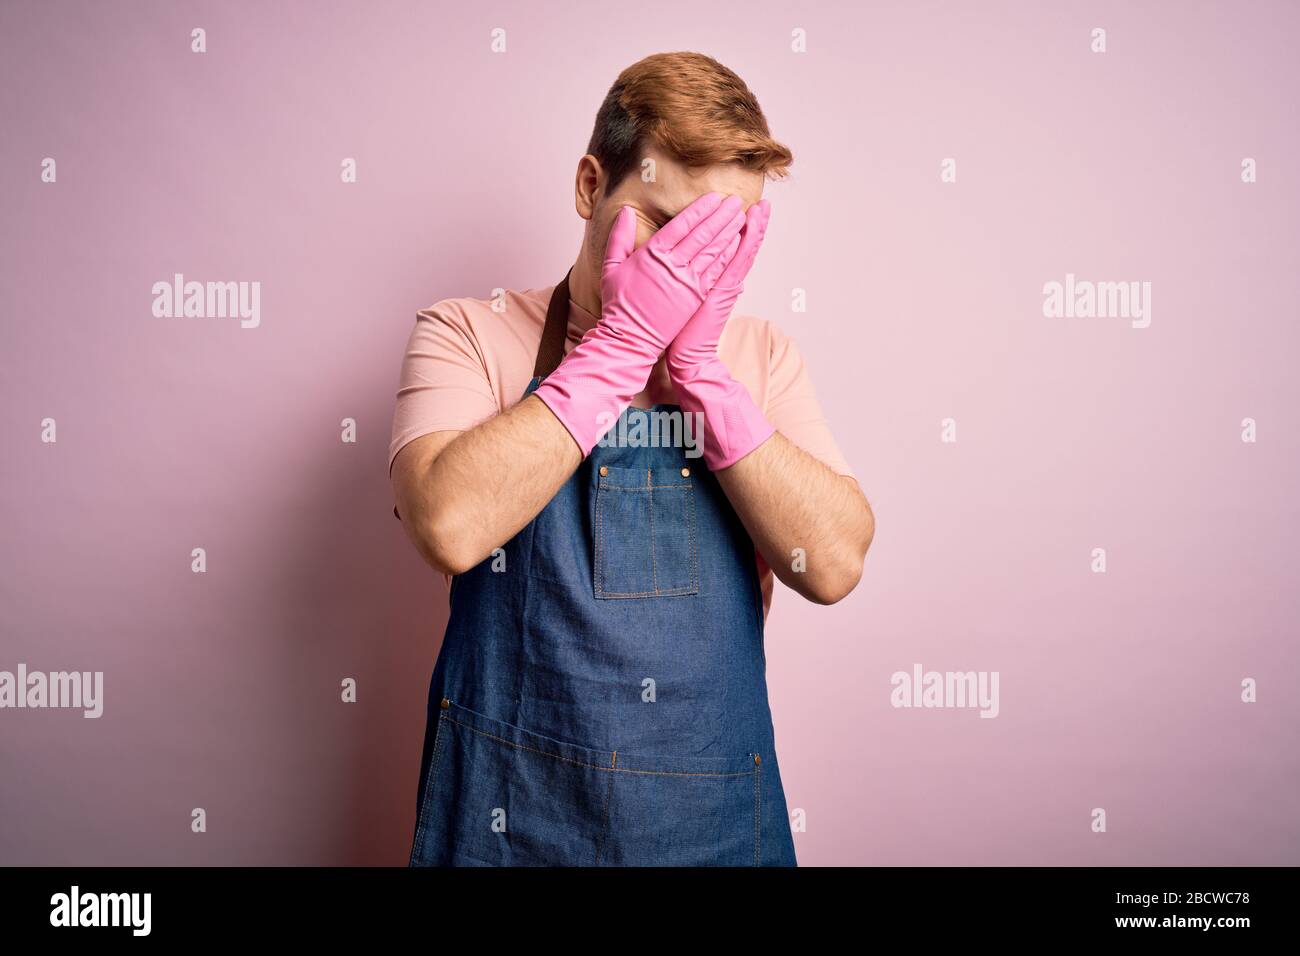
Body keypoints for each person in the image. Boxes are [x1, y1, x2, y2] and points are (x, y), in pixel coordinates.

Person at [390, 52, 874, 866]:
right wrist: (618, 351)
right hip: (505, 818)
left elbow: (831, 564)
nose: (680, 271)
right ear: (590, 187)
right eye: (661, 224)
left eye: (716, 239)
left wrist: (702, 379)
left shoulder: (760, 359)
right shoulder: (466, 333)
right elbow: (448, 525)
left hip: (710, 823)